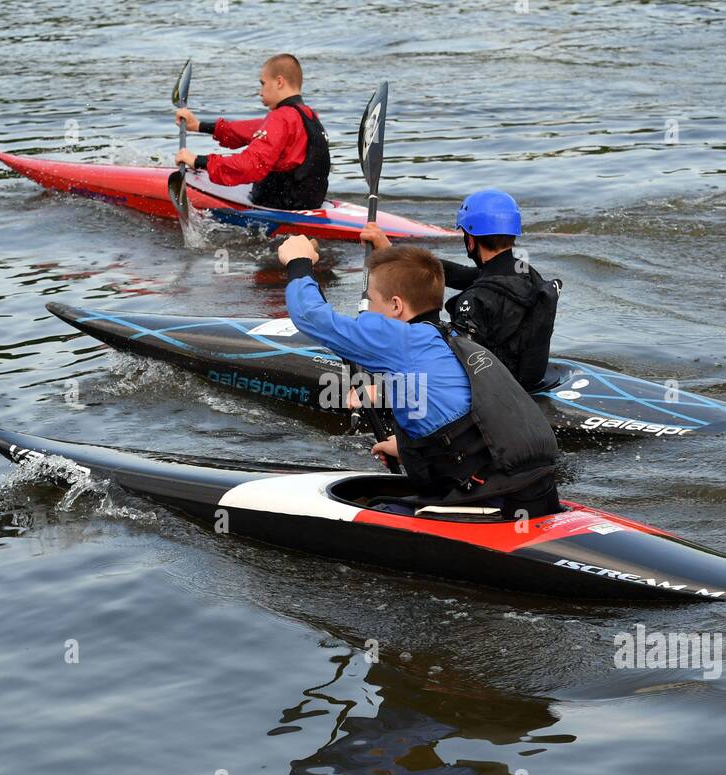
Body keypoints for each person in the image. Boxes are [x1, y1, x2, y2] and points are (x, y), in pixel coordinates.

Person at [277, 234, 561, 519]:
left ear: (396, 306)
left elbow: (311, 317)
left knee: (373, 506)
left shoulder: (401, 340)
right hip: (536, 492)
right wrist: (406, 448)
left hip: (492, 501)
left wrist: (298, 262)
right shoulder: (448, 338)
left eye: (371, 302)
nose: (365, 314)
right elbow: (449, 405)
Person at [359, 189, 559, 390]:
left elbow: (448, 359)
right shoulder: (524, 272)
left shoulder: (475, 301)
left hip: (499, 390)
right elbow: (461, 274)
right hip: (528, 377)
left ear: (471, 240)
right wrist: (392, 252)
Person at [173, 54, 330, 210]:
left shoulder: (281, 117)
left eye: (263, 83)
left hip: (283, 205)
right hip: (310, 203)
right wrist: (199, 126)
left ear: (279, 82)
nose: (260, 92)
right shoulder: (308, 115)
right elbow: (248, 130)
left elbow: (251, 165)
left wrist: (198, 161)